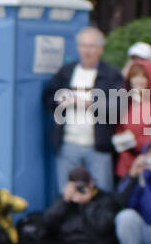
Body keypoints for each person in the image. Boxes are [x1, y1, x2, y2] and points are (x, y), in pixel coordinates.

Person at [42, 26, 123, 192]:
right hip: (68, 143)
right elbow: (48, 99)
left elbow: (119, 107)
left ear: (101, 49)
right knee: (67, 193)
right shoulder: (66, 72)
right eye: (84, 46)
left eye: (92, 46)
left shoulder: (111, 74)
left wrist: (89, 104)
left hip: (98, 145)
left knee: (101, 193)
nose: (88, 51)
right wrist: (61, 101)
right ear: (78, 48)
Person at [34, 164, 119, 244]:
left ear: (91, 183)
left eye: (82, 185)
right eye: (76, 185)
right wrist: (64, 201)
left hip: (92, 243)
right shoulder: (65, 199)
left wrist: (87, 203)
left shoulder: (104, 199)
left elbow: (104, 226)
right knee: (43, 241)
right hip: (69, 243)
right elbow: (48, 222)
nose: (79, 188)